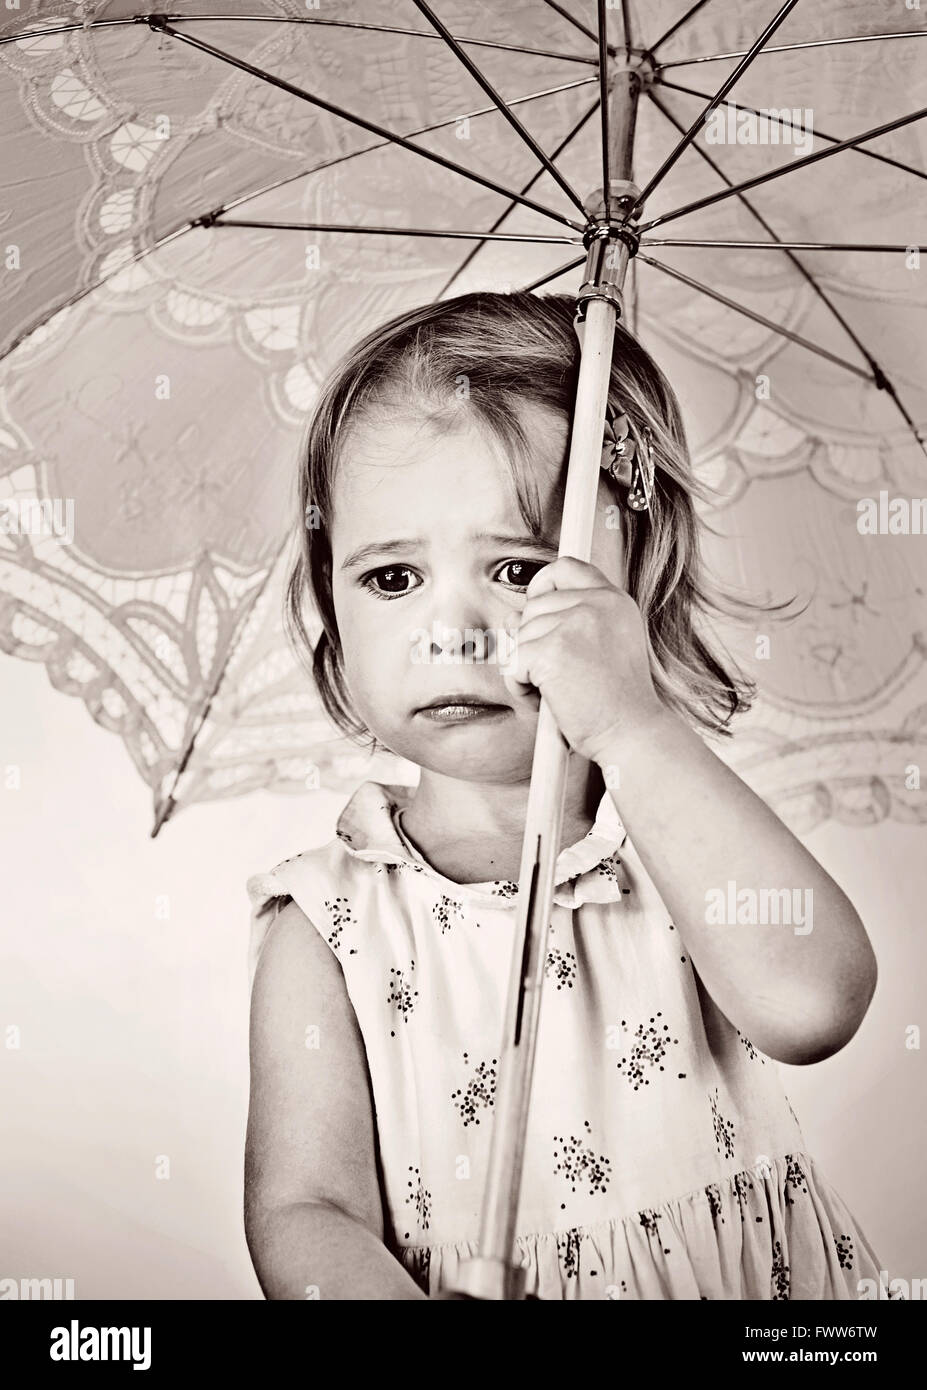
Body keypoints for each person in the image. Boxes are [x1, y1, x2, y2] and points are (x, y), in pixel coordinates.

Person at [244, 291, 890, 1301]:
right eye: (392, 578)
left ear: (635, 582)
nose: (451, 632)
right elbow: (303, 1208)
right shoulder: (331, 924)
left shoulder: (672, 832)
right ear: (328, 596)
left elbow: (812, 1004)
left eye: (517, 566)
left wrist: (632, 725)